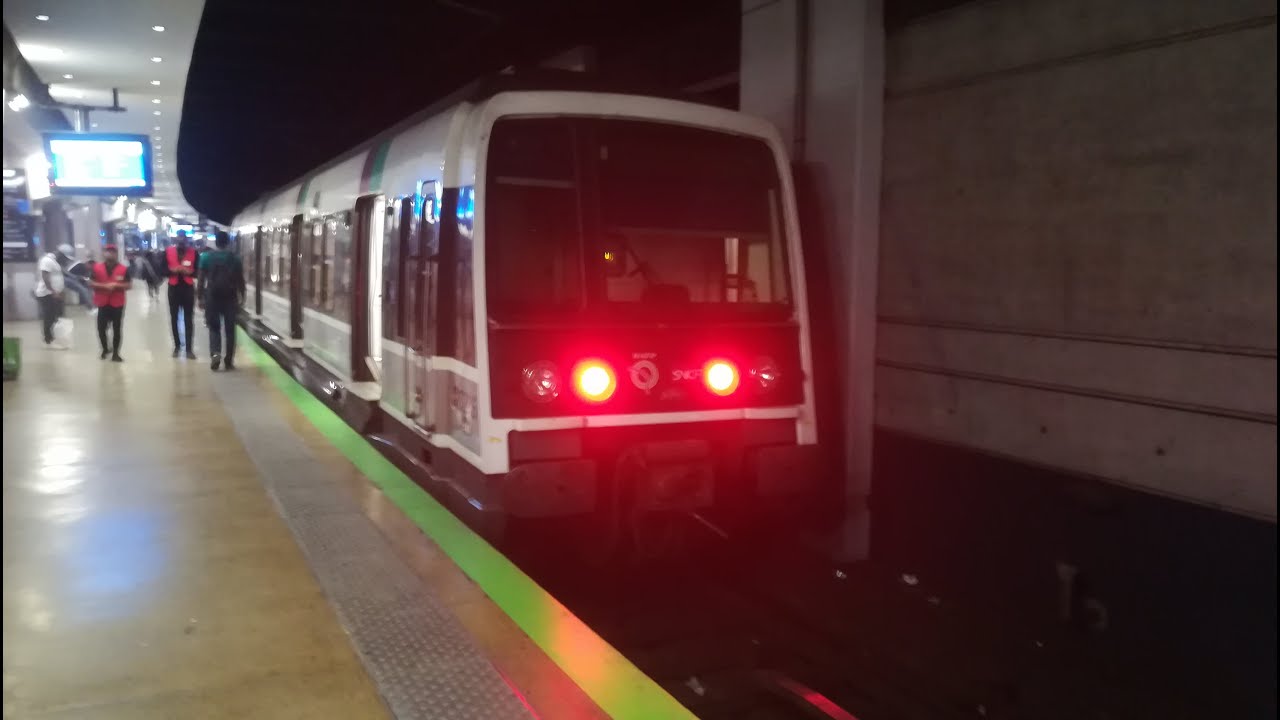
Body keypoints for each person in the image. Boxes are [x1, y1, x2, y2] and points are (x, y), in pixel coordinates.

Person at [198, 231, 246, 371]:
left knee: (214, 328)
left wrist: (200, 297)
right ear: (227, 243)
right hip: (230, 298)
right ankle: (229, 360)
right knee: (230, 330)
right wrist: (242, 296)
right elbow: (240, 280)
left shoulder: (206, 257)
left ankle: (215, 354)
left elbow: (201, 280)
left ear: (216, 242)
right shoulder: (235, 259)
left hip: (212, 297)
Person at [87, 244, 132, 361]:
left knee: (117, 329)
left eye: (113, 252)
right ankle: (105, 349)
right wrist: (104, 286)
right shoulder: (96, 268)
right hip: (102, 303)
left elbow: (129, 285)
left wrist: (116, 285)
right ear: (104, 253)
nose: (110, 254)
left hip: (117, 303)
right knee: (101, 328)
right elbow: (91, 283)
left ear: (116, 254)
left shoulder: (123, 269)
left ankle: (116, 353)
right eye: (108, 251)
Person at [165, 231, 198, 358]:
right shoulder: (168, 252)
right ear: (176, 240)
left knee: (188, 319)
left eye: (183, 239)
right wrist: (172, 270)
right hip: (173, 288)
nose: (181, 241)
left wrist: (188, 272)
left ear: (186, 240)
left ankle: (189, 349)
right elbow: (162, 270)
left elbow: (197, 272)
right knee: (174, 318)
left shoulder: (193, 253)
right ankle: (177, 346)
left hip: (188, 288)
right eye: (179, 239)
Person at [34, 245, 67, 349]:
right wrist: (53, 291)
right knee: (49, 316)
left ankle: (52, 337)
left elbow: (57, 277)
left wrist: (60, 291)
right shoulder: (47, 260)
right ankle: (48, 339)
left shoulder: (54, 262)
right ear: (60, 254)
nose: (65, 260)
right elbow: (45, 276)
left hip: (53, 293)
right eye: (65, 258)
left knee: (54, 316)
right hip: (46, 293)